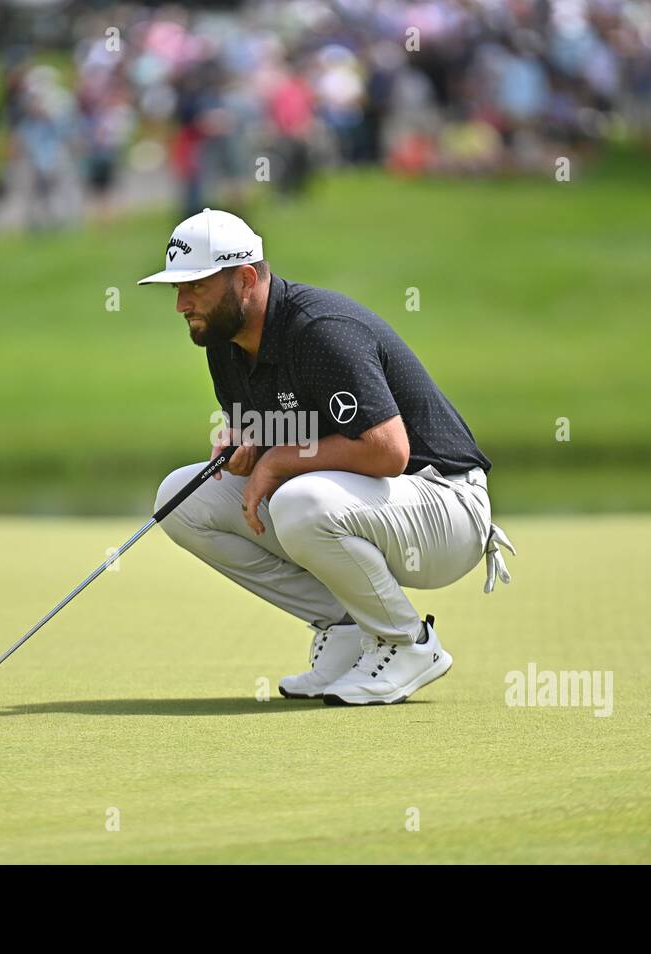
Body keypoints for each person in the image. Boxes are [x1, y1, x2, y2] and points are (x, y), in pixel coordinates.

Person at [138, 209, 515, 706]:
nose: (182, 304)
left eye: (197, 287)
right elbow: (274, 434)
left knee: (298, 499)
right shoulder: (224, 345)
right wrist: (248, 446)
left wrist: (276, 462)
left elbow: (387, 450)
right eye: (177, 290)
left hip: (446, 505)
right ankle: (345, 631)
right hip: (370, 505)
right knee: (181, 498)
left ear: (246, 279)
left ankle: (408, 642)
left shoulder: (319, 330)